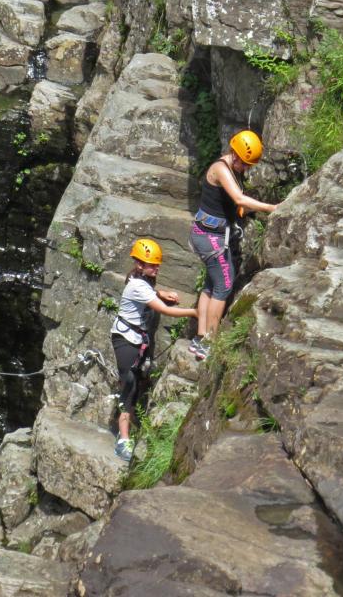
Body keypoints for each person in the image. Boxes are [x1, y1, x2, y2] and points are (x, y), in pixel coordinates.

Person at [188, 130, 277, 360]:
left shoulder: (233, 170)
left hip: (209, 234)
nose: (246, 168)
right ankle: (210, 341)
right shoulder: (221, 168)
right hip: (211, 237)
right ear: (235, 155)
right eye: (245, 164)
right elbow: (239, 199)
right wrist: (273, 208)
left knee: (211, 284)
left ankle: (199, 339)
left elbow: (236, 204)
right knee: (224, 286)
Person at [112, 238, 198, 461]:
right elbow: (164, 311)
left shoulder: (141, 279)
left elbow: (149, 294)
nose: (156, 268)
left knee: (140, 378)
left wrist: (161, 293)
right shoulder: (137, 283)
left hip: (136, 336)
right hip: (125, 339)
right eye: (152, 265)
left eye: (157, 264)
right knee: (129, 384)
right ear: (140, 264)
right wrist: (195, 312)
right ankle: (123, 438)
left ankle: (130, 423)